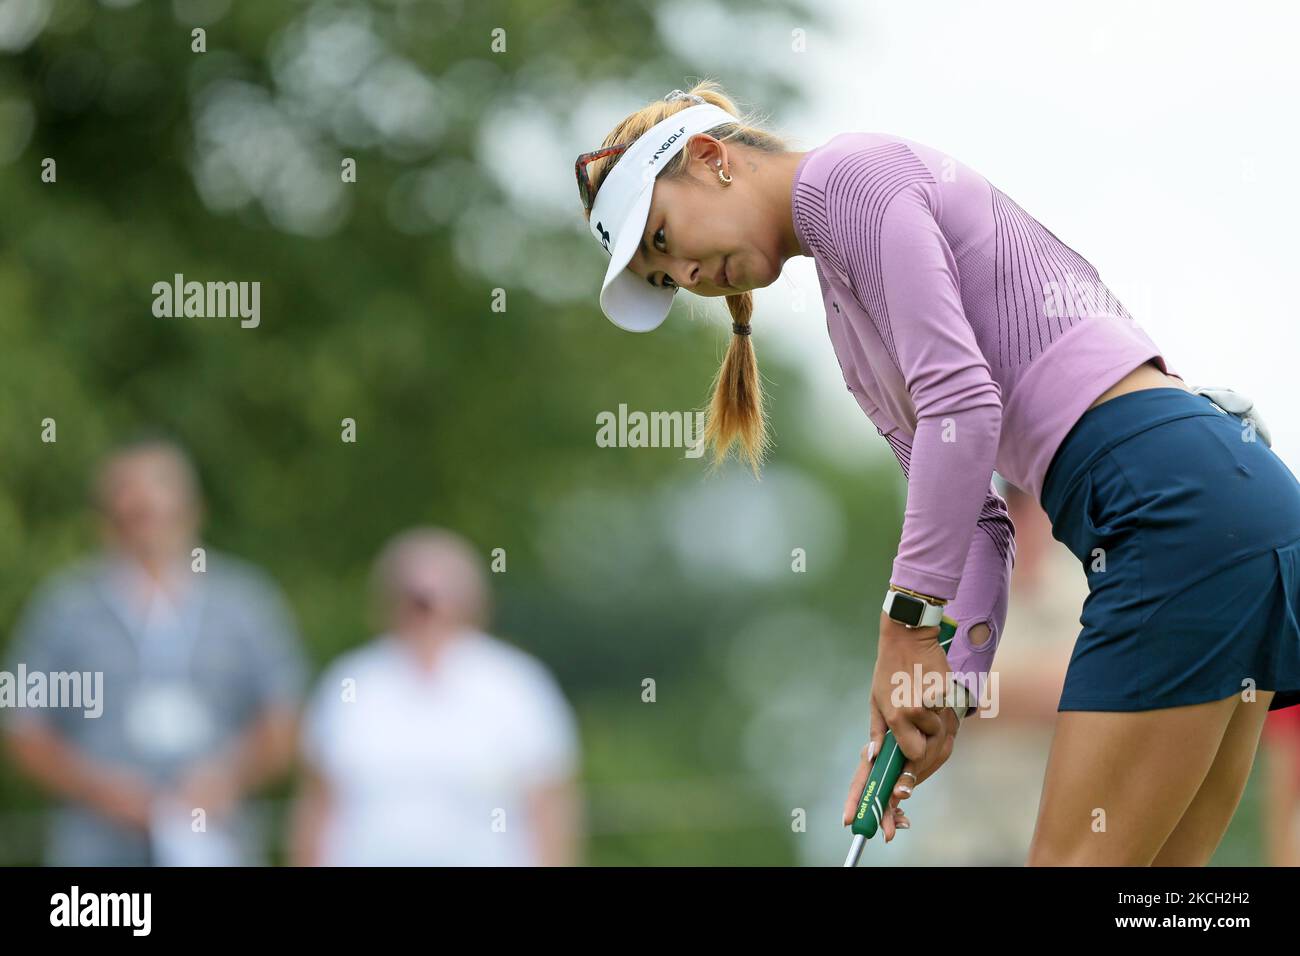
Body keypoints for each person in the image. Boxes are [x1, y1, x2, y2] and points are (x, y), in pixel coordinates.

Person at [574, 79, 1300, 865]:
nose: (681, 274)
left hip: (1172, 507)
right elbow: (982, 524)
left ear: (713, 159)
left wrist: (903, 631)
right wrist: (943, 691)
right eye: (660, 276)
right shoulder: (849, 321)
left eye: (661, 238)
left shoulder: (846, 178)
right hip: (1233, 503)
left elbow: (962, 404)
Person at [3, 437, 306, 865]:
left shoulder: (245, 603)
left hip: (218, 844)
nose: (147, 526)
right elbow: (22, 726)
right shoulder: (64, 607)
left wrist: (228, 779)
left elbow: (284, 717)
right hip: (95, 850)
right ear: (105, 519)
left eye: (158, 511)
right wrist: (97, 788)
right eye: (132, 514)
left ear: (194, 510)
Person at [290, 527, 583, 866]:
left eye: (438, 597)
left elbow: (550, 806)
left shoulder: (515, 684)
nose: (427, 611)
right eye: (414, 598)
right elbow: (316, 804)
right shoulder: (352, 680)